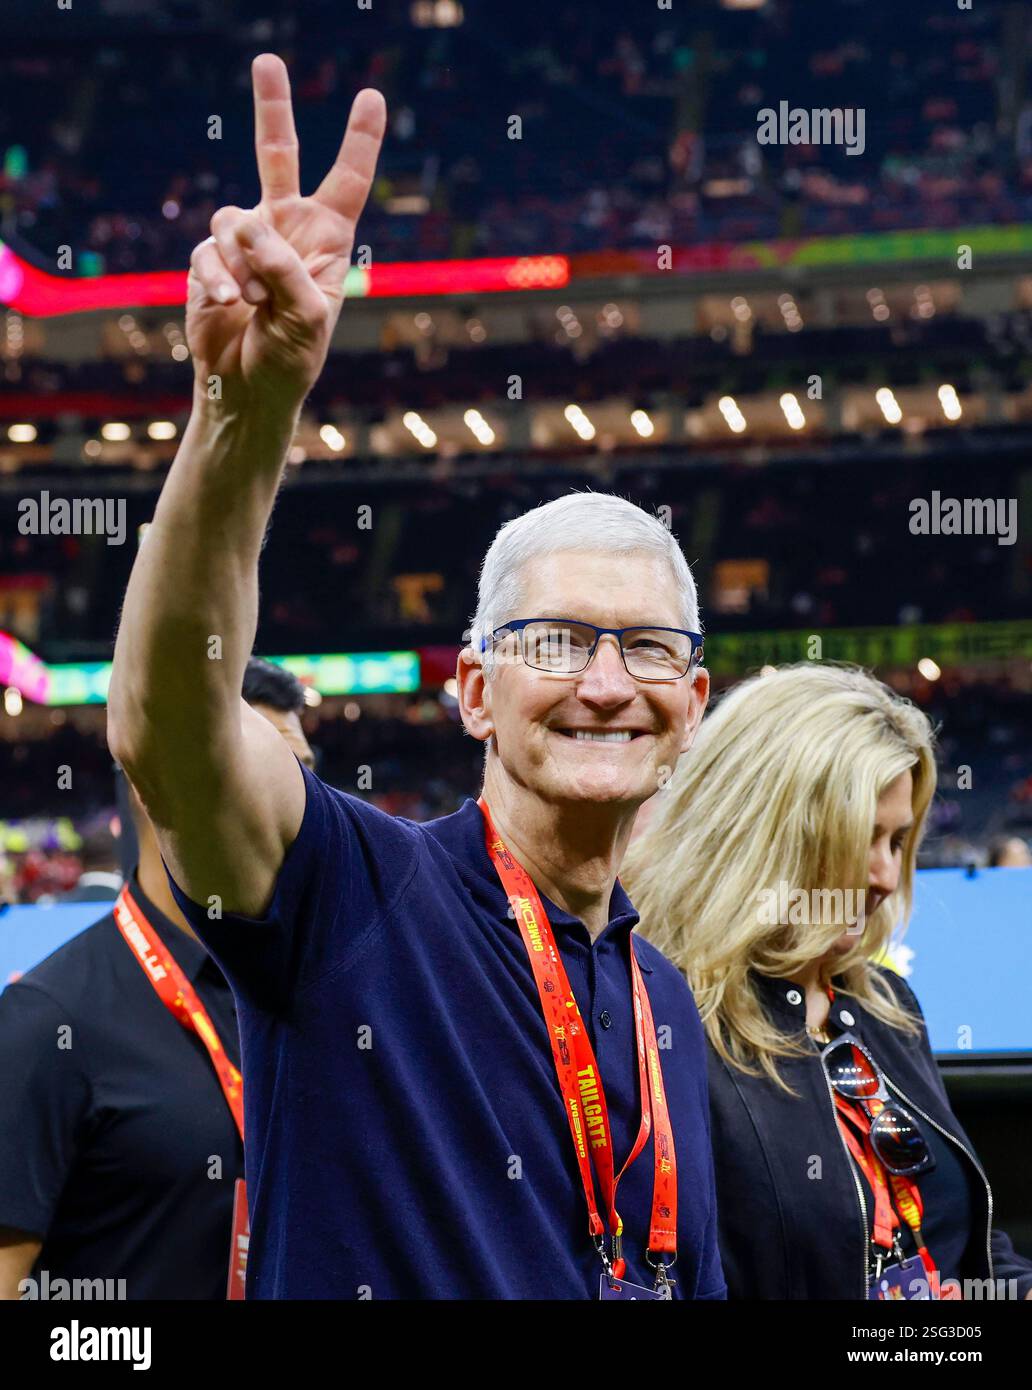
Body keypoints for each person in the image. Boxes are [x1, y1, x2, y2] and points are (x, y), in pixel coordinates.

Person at [105, 54, 725, 1300]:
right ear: (476, 692)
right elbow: (167, 724)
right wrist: (243, 413)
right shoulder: (352, 894)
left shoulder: (666, 1002)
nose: (607, 680)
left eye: (649, 647)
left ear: (693, 706)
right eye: (555, 641)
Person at [622, 663, 1032, 1301]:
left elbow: (966, 1245)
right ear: (762, 834)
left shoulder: (887, 1004)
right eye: (859, 839)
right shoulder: (655, 1019)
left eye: (898, 841)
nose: (885, 877)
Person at [0, 660, 314, 1300]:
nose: (303, 800)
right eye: (274, 768)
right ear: (156, 781)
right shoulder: (46, 1022)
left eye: (307, 772)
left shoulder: (326, 995)